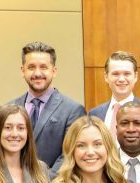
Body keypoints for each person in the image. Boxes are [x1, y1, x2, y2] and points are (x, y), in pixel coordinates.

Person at [9, 42, 86, 170]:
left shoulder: (73, 110)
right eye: (31, 67)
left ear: (54, 71)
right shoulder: (9, 108)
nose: (37, 73)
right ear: (23, 70)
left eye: (44, 67)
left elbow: (69, 154)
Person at [88, 51, 140, 157]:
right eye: (115, 74)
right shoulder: (95, 114)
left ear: (135, 76)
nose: (121, 79)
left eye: (127, 74)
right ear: (106, 76)